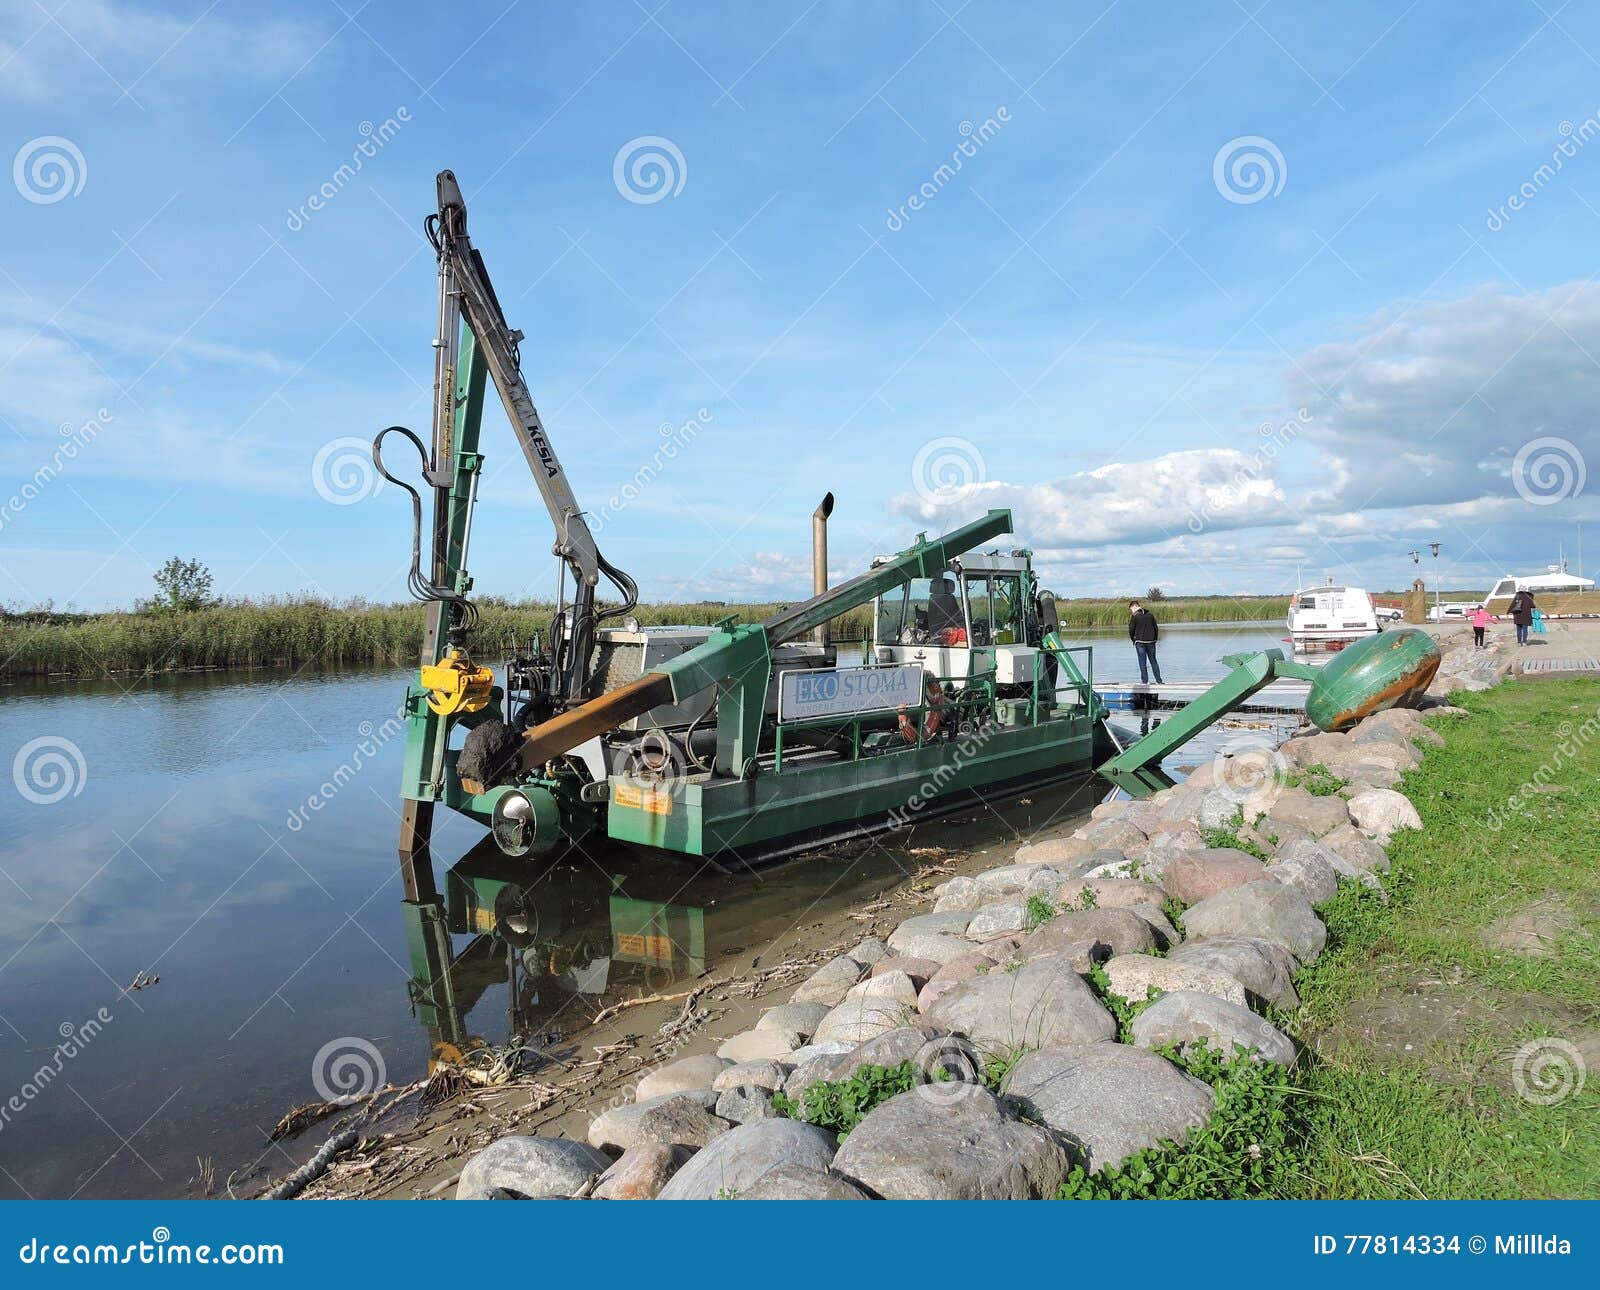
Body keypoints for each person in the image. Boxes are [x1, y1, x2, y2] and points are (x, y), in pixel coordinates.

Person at [1128, 600, 1162, 684]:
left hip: (1140, 642)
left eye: (1131, 609)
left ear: (1134, 606)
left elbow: (1131, 629)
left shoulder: (1135, 616)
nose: (1131, 611)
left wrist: (1133, 640)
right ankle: (1159, 680)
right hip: (1151, 641)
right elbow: (1156, 628)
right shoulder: (1150, 615)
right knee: (1153, 661)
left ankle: (1144, 681)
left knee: (1142, 661)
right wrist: (1155, 639)